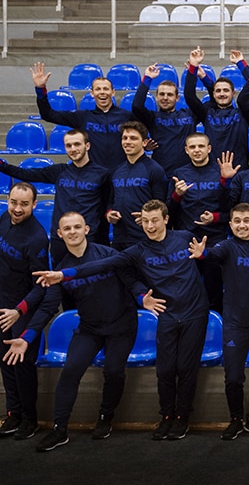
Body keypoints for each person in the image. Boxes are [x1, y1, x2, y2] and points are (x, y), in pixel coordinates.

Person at [42, 199, 208, 441]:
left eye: (155, 220)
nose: (150, 226)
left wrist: (205, 256)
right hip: (167, 314)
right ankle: (167, 417)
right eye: (146, 221)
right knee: (165, 371)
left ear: (166, 219)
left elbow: (216, 256)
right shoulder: (138, 251)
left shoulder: (184, 237)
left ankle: (182, 418)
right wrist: (63, 274)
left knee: (185, 368)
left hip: (195, 312)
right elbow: (103, 265)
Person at [21, 212, 136, 452]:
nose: (72, 232)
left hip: (121, 325)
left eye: (77, 227)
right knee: (70, 370)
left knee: (114, 371)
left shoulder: (109, 255)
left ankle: (106, 417)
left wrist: (144, 297)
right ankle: (59, 429)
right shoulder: (60, 271)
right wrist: (26, 338)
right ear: (60, 234)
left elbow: (133, 281)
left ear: (87, 229)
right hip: (90, 328)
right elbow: (48, 306)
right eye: (67, 229)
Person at [188, 203, 249, 441]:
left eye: (246, 220)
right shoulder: (226, 247)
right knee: (234, 378)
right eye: (237, 221)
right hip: (235, 325)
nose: (241, 225)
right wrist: (203, 254)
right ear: (230, 225)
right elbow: (212, 255)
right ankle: (236, 419)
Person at [0, 129, 111, 264]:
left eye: (77, 144)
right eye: (68, 146)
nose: (73, 149)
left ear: (87, 146)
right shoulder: (59, 171)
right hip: (60, 239)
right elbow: (25, 174)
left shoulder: (103, 174)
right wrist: (2, 165)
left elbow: (108, 205)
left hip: (88, 238)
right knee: (59, 280)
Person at [0, 182, 55, 441]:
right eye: (13, 202)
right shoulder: (4, 218)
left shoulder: (37, 239)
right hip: (2, 304)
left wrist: (18, 311)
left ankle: (30, 419)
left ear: (34, 204)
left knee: (21, 365)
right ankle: (13, 413)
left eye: (24, 204)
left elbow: (41, 286)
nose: (17, 209)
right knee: (5, 361)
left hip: (23, 308)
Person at [32, 62, 132, 170]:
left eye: (106, 89)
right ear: (92, 93)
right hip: (93, 176)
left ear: (113, 92)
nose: (102, 92)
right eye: (98, 89)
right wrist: (40, 89)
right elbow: (48, 115)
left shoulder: (126, 116)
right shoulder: (83, 117)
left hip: (120, 175)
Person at [168, 132, 228, 310]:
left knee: (214, 291)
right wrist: (177, 196)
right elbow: (168, 213)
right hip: (186, 240)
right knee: (188, 291)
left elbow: (233, 211)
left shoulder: (220, 172)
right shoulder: (179, 174)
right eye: (192, 147)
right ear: (186, 150)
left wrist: (215, 218)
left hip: (214, 240)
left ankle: (214, 327)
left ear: (209, 148)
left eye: (201, 146)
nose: (197, 150)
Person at [131, 52, 214, 175]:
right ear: (156, 98)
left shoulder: (191, 114)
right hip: (161, 173)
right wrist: (147, 78)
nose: (165, 98)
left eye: (170, 94)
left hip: (189, 173)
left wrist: (202, 76)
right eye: (162, 94)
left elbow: (215, 100)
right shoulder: (152, 118)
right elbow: (137, 106)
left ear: (177, 98)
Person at [184, 48, 249, 170]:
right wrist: (193, 67)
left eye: (226, 90)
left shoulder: (243, 113)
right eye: (218, 91)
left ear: (233, 93)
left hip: (239, 172)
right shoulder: (207, 113)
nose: (222, 94)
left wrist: (241, 63)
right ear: (213, 94)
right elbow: (189, 96)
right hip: (212, 172)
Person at [106, 121, 168, 251]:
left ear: (144, 143)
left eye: (133, 138)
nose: (127, 142)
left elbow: (162, 204)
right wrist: (109, 213)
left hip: (145, 237)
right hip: (120, 238)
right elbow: (110, 201)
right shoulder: (117, 171)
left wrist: (149, 217)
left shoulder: (155, 170)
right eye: (124, 138)